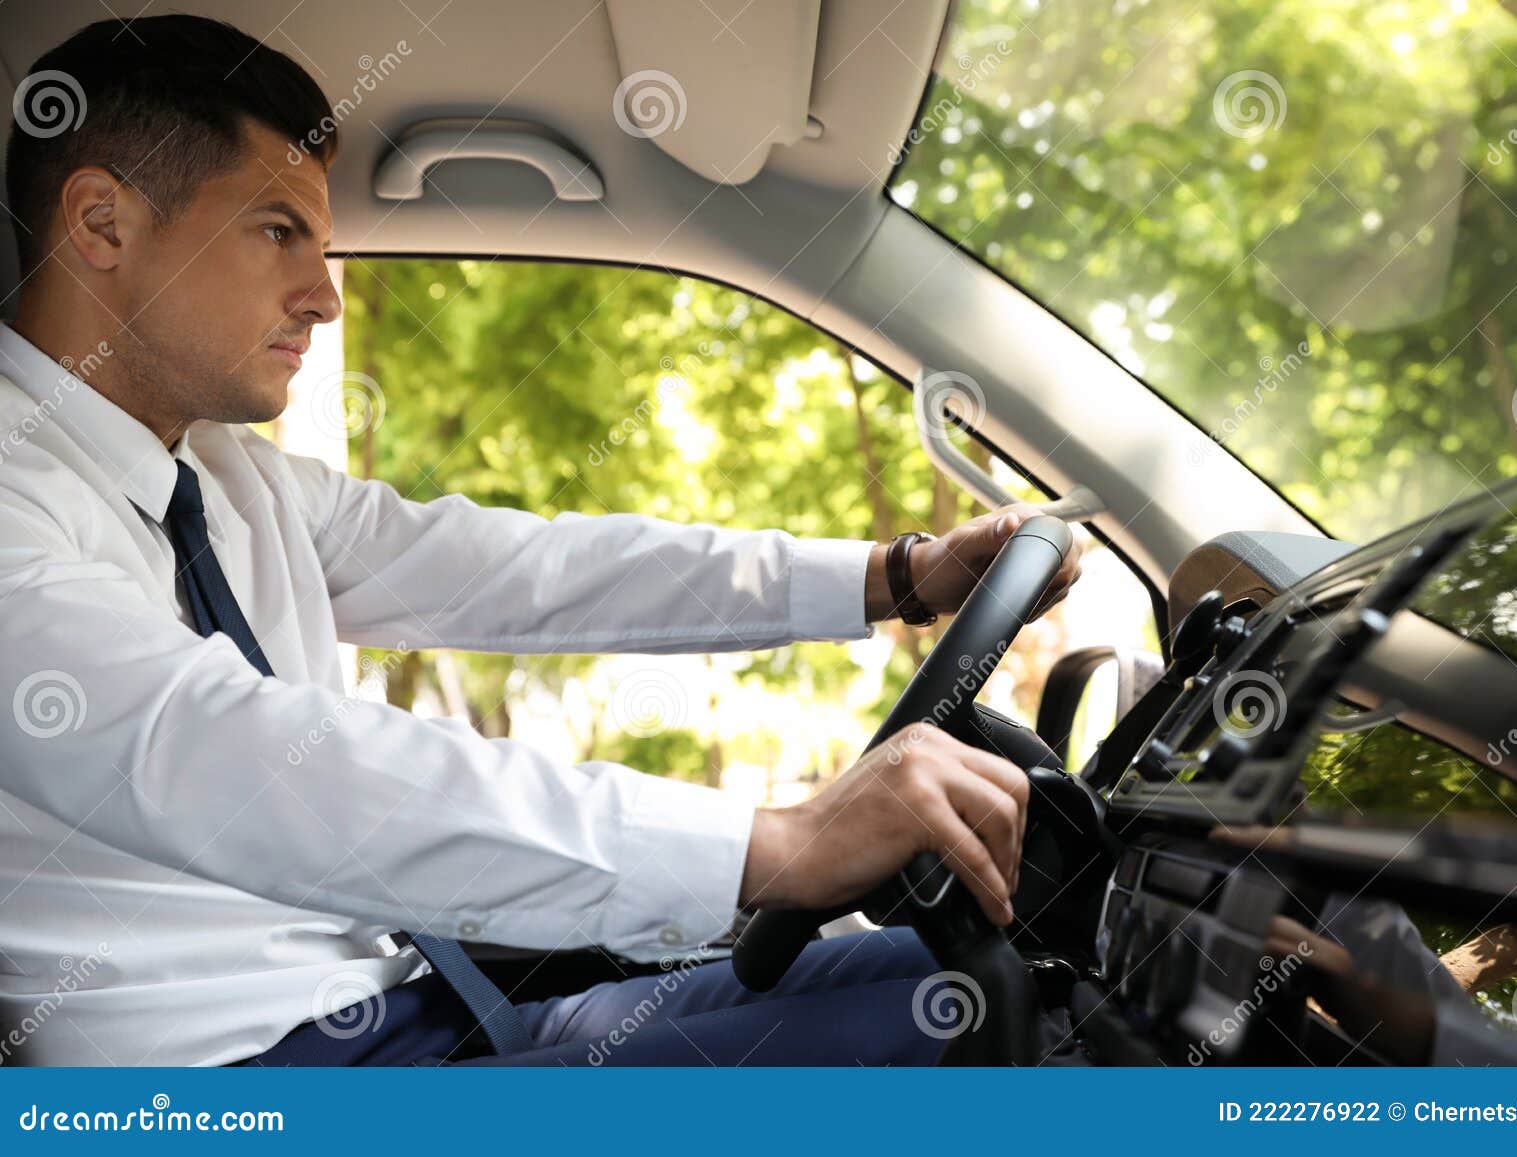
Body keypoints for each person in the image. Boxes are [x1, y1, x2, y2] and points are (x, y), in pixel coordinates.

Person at [0, 15, 1083, 1066]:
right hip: (242, 1090)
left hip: (421, 1012)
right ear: (100, 224)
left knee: (1014, 980)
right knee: (972, 1042)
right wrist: (777, 842)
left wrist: (896, 576)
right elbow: (250, 758)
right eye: (280, 232)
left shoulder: (229, 477)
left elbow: (532, 569)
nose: (324, 296)